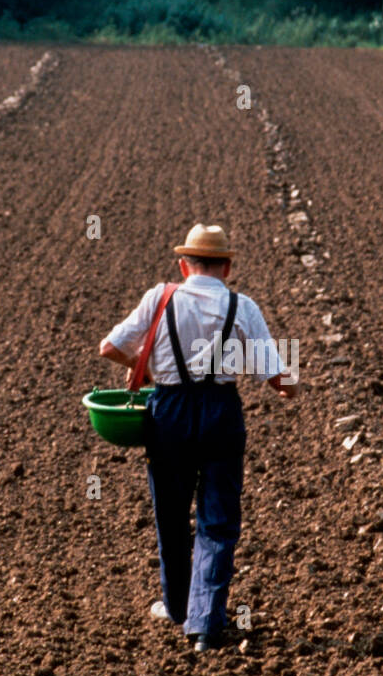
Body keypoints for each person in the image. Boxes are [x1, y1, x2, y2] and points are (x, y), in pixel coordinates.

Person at [99, 224, 297, 652]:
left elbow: (110, 347)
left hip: (167, 412)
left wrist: (147, 370)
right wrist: (285, 382)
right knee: (218, 519)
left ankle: (176, 608)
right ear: (226, 266)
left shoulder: (159, 297)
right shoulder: (242, 306)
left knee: (171, 516)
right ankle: (205, 622)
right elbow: (281, 379)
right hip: (221, 412)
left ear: (183, 265)